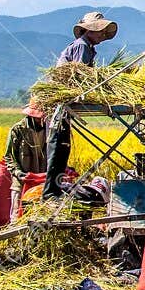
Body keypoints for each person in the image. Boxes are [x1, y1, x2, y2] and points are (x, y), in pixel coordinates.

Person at [43, 11, 119, 198]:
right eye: (99, 30)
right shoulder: (82, 46)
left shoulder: (88, 47)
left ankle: (55, 190)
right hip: (61, 106)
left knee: (62, 149)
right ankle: (50, 193)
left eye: (103, 31)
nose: (102, 34)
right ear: (88, 31)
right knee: (58, 150)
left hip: (64, 108)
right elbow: (79, 80)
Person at [4, 103, 48, 217]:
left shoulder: (50, 130)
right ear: (31, 116)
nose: (41, 120)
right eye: (38, 118)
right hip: (21, 183)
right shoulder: (18, 130)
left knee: (40, 216)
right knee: (17, 216)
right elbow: (9, 156)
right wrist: (18, 173)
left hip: (42, 184)